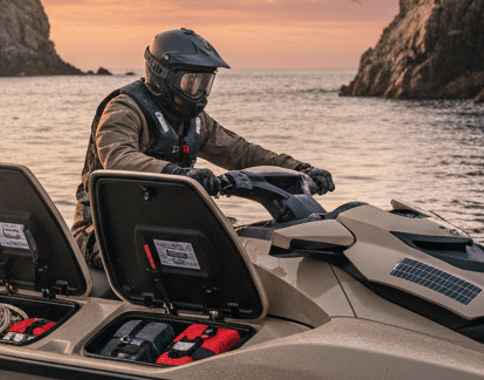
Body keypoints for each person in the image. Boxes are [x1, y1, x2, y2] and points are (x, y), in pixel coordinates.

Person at [72, 27, 335, 267]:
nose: (199, 92)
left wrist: (300, 169)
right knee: (210, 256)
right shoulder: (124, 110)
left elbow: (241, 153)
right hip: (103, 232)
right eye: (191, 82)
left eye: (205, 83)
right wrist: (179, 175)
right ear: (164, 76)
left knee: (247, 243)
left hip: (159, 226)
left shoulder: (194, 122)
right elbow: (118, 158)